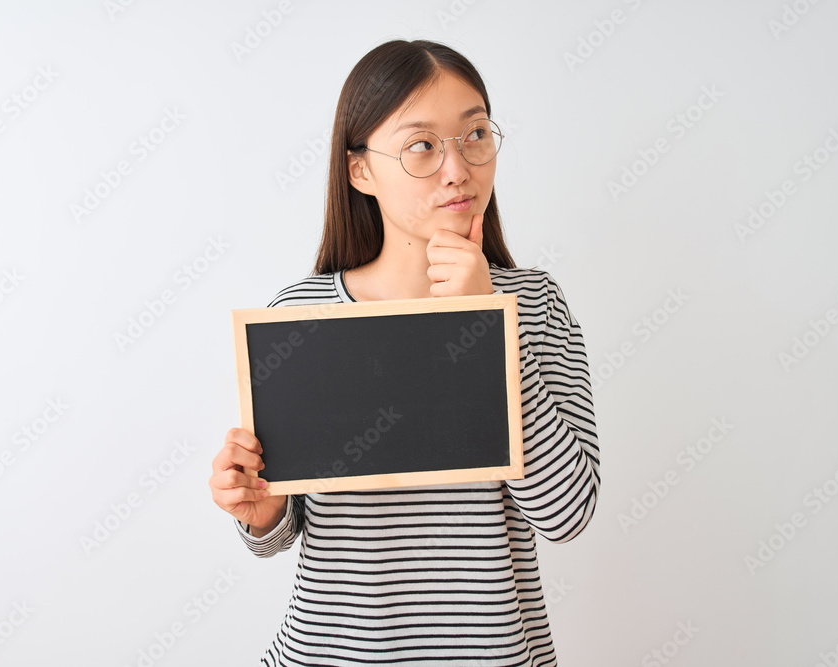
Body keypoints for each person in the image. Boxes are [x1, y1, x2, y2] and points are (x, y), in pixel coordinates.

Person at [209, 39, 600, 666]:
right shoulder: (301, 317)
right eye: (421, 145)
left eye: (475, 134)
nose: (457, 168)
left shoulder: (534, 302)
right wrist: (262, 512)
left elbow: (568, 511)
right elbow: (278, 536)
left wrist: (486, 320)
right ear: (360, 170)